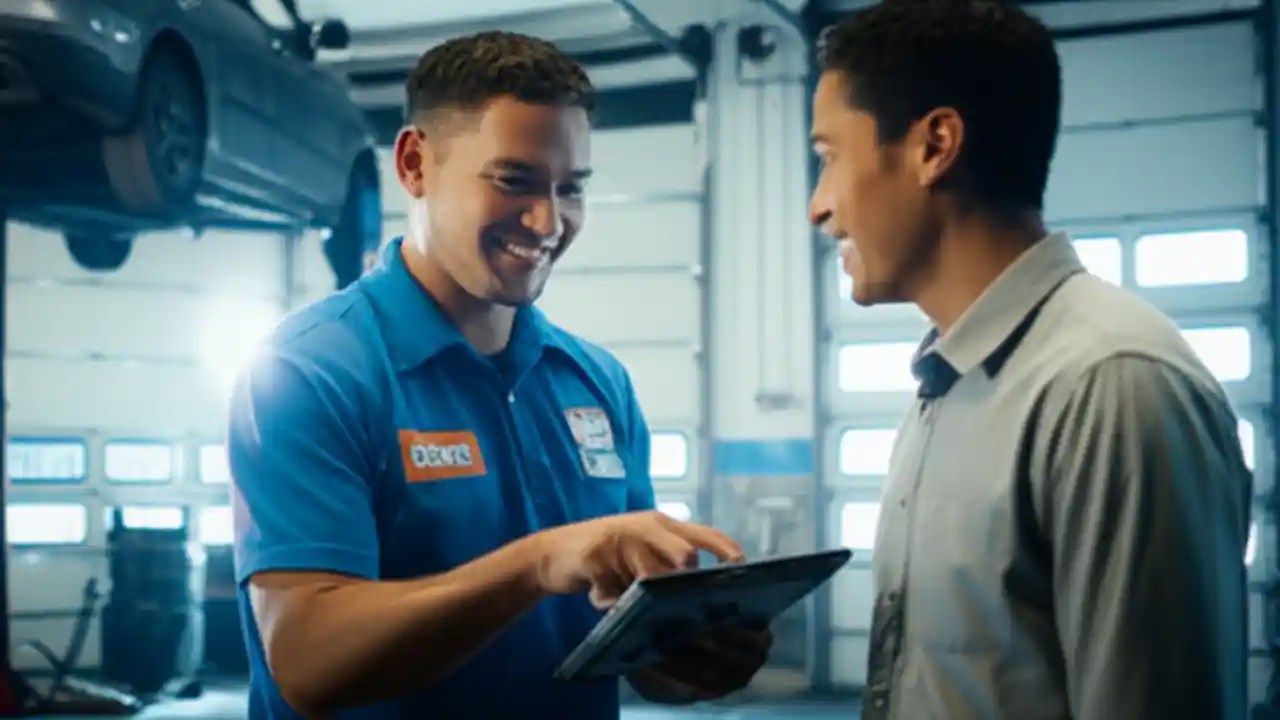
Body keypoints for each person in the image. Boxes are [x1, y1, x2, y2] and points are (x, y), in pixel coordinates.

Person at [227, 31, 771, 720]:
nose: (548, 222)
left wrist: (688, 657)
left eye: (570, 189)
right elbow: (308, 663)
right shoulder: (308, 370)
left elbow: (623, 650)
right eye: (513, 180)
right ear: (415, 164)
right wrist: (539, 563)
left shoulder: (597, 382)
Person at [807, 1, 1251, 718]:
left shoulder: (1111, 384)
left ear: (935, 145)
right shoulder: (948, 385)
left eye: (828, 158)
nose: (817, 206)